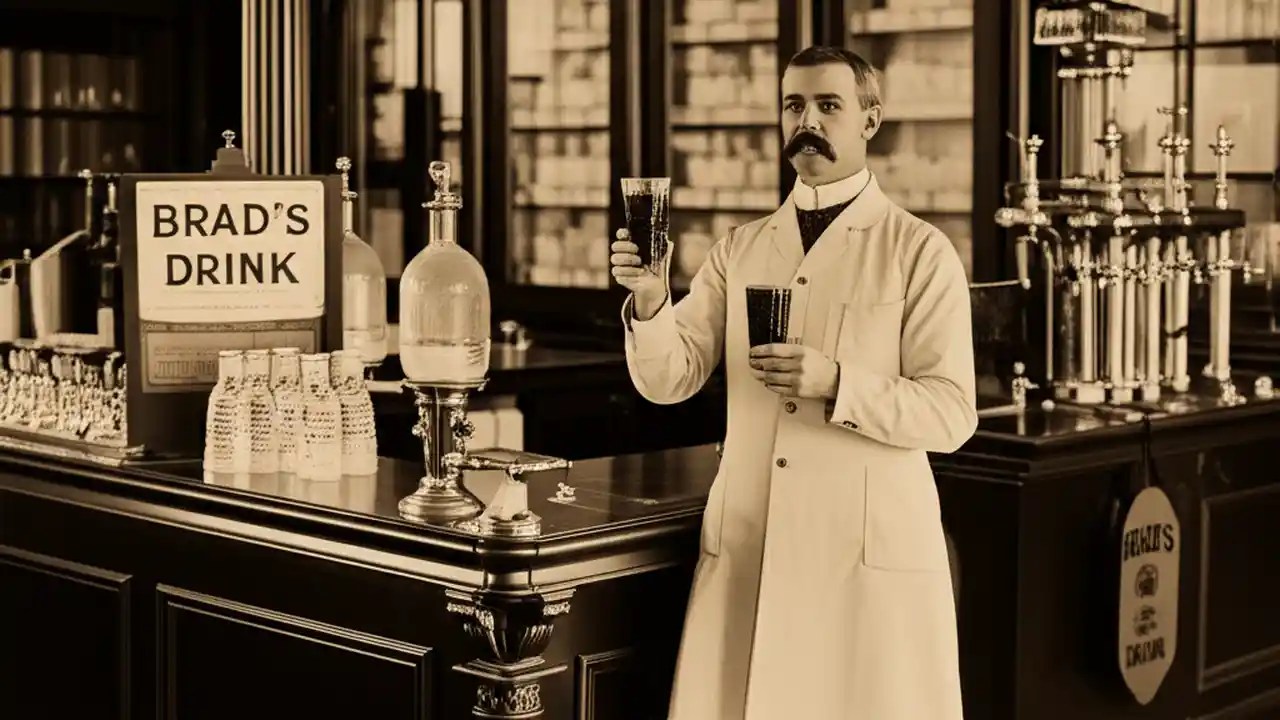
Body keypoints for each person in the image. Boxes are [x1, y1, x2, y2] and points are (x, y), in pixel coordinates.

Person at [610, 46, 976, 719]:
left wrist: (837, 382)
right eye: (794, 105)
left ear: (870, 120)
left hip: (862, 560)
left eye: (828, 105)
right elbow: (670, 378)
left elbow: (952, 413)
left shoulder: (919, 251)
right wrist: (652, 298)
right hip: (752, 542)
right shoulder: (740, 248)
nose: (807, 121)